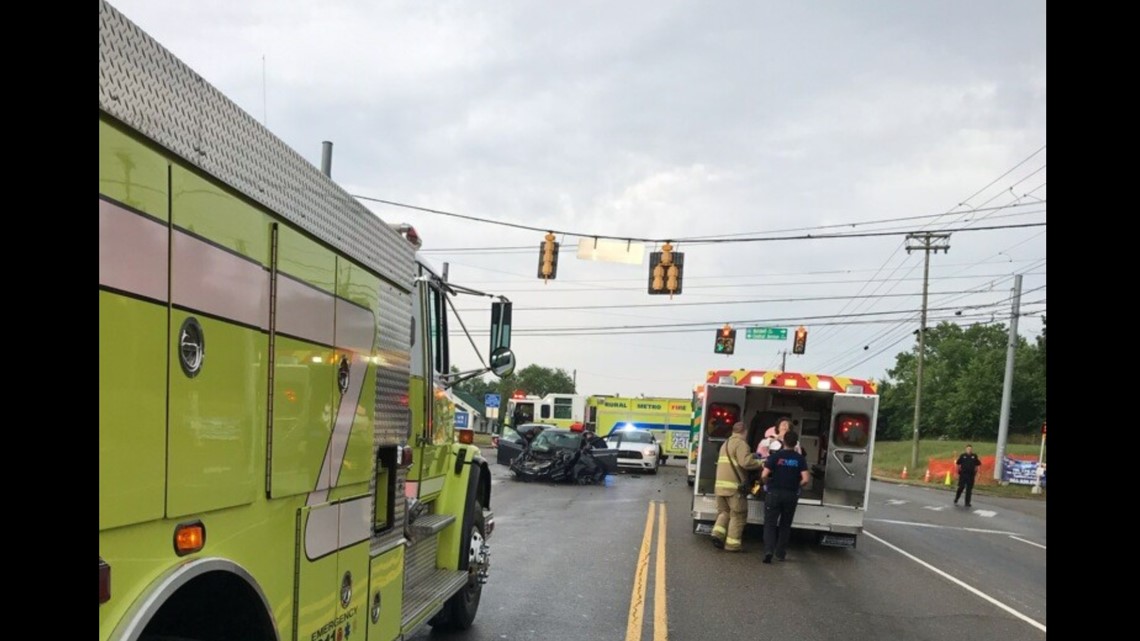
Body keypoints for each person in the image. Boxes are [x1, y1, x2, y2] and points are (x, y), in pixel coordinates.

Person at [712, 421, 763, 552]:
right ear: (744, 432)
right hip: (734, 487)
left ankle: (717, 534)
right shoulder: (741, 444)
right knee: (738, 515)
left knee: (724, 512)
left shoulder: (726, 443)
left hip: (720, 486)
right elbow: (745, 462)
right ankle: (732, 545)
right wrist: (760, 463)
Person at [760, 430, 810, 564]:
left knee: (770, 524)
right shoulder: (800, 459)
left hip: (774, 493)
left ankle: (768, 551)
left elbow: (764, 475)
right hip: (791, 495)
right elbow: (805, 479)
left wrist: (767, 485)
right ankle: (780, 553)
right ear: (795, 443)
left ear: (784, 442)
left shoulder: (775, 457)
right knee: (785, 525)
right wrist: (797, 485)